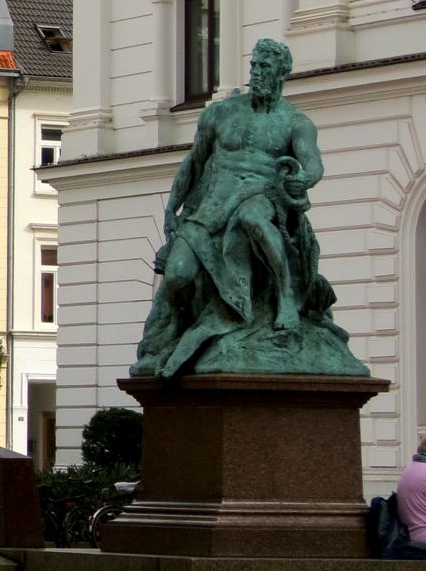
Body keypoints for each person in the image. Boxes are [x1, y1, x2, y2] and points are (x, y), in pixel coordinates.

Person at [132, 37, 363, 379]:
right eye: (254, 66)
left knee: (252, 217)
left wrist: (304, 180)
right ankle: (171, 338)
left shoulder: (296, 123)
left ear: (282, 74)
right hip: (211, 208)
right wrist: (171, 209)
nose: (256, 73)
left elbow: (313, 164)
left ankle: (286, 299)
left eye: (265, 67)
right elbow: (193, 165)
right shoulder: (221, 113)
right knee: (178, 274)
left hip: (263, 197)